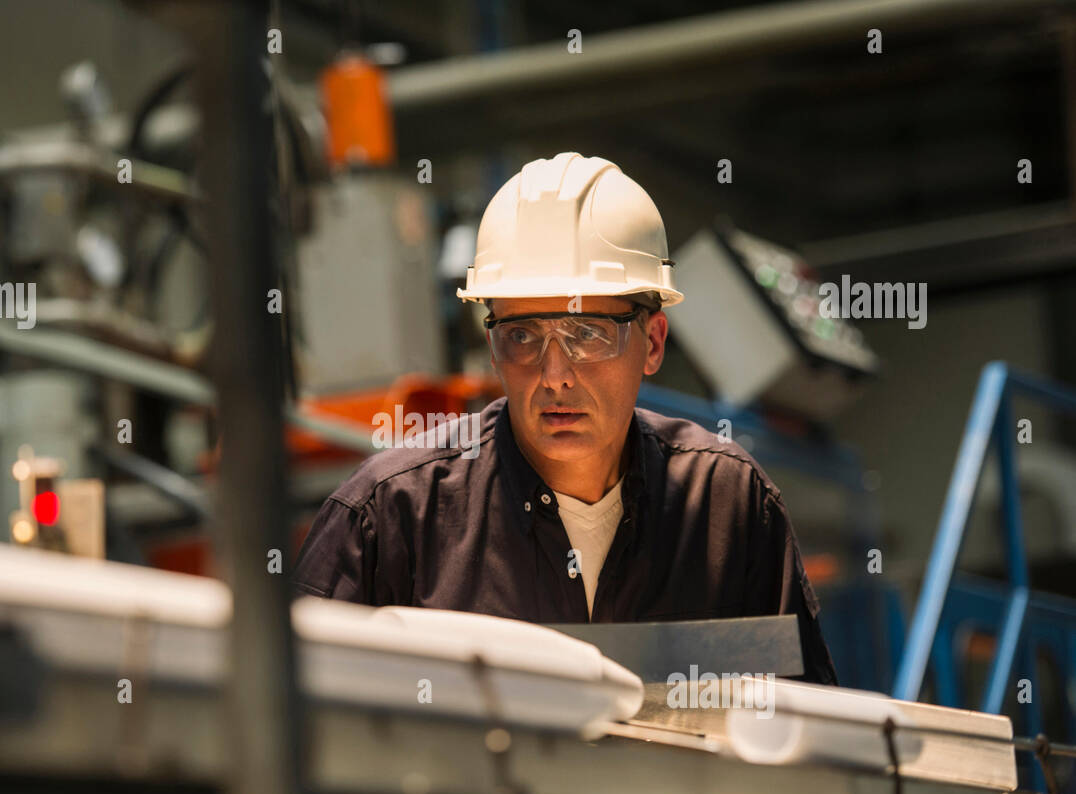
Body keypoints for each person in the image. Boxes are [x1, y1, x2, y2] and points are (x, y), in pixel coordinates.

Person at [293, 152, 837, 685]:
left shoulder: (726, 506)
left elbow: (805, 731)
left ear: (652, 342)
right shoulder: (391, 517)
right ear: (491, 346)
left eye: (587, 334)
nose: (555, 375)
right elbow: (294, 730)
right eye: (523, 336)